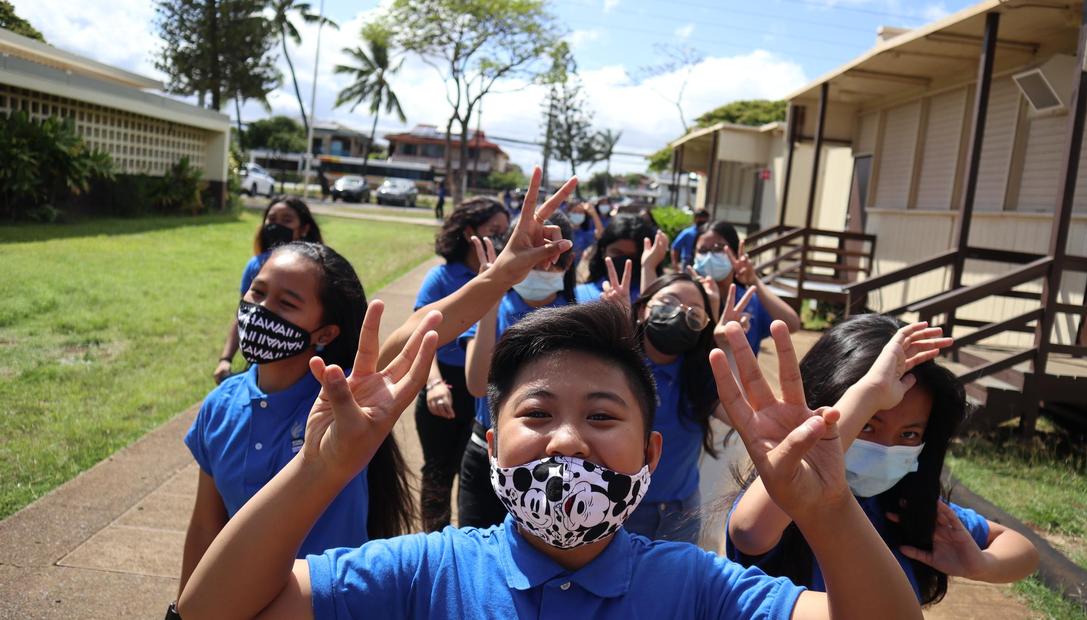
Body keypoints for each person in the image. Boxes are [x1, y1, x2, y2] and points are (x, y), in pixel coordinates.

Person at [177, 298, 924, 619]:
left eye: (602, 416)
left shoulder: (697, 589)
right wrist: (318, 470)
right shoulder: (423, 572)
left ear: (649, 452)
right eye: (535, 414)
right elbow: (210, 611)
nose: (567, 441)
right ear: (492, 441)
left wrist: (825, 511)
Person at [726, 314, 1040, 605]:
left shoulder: (900, 508)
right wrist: (870, 392)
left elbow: (1022, 550)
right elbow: (750, 531)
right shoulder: (783, 504)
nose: (885, 448)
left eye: (909, 435)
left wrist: (983, 565)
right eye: (867, 424)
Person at [179, 242, 415, 602]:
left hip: (331, 601)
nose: (260, 310)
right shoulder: (219, 404)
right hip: (238, 602)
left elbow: (420, 328)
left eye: (286, 304)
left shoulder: (343, 400)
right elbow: (205, 524)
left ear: (325, 333)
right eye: (257, 292)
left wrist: (498, 277)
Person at [597, 267, 753, 543]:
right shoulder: (615, 367)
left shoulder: (697, 378)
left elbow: (742, 417)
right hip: (614, 510)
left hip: (680, 515)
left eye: (694, 312)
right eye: (668, 303)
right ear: (643, 309)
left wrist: (726, 346)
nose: (680, 313)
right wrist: (614, 329)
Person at [456, 211, 577, 528]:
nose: (541, 268)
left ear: (569, 258)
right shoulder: (493, 307)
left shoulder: (581, 311)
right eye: (531, 257)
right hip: (486, 454)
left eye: (551, 258)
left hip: (550, 462)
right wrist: (489, 298)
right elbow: (477, 385)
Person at [413, 196, 510, 531]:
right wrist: (434, 384)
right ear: (470, 232)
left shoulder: (507, 278)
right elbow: (419, 340)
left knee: (473, 470)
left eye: (505, 231)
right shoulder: (441, 278)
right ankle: (434, 542)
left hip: (482, 386)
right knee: (438, 473)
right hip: (443, 384)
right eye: (494, 230)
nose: (502, 236)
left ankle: (465, 542)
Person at [213, 196, 323, 384]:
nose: (276, 225)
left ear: (304, 228)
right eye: (271, 219)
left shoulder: (318, 270)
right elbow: (242, 314)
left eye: (286, 220)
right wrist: (225, 359)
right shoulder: (255, 265)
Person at [692, 220, 800, 354]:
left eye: (718, 248)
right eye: (702, 250)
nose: (709, 256)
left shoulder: (749, 300)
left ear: (736, 253)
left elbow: (792, 325)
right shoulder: (688, 298)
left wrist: (754, 281)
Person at [575, 214, 668, 304]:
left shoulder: (660, 296)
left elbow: (654, 315)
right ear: (603, 251)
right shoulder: (577, 295)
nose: (625, 260)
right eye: (617, 252)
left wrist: (649, 267)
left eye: (632, 256)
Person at [565, 200, 604, 267]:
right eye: (575, 211)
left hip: (573, 272)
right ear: (568, 213)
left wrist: (593, 213)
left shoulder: (584, 234)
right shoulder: (562, 230)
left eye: (581, 212)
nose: (578, 214)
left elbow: (600, 233)